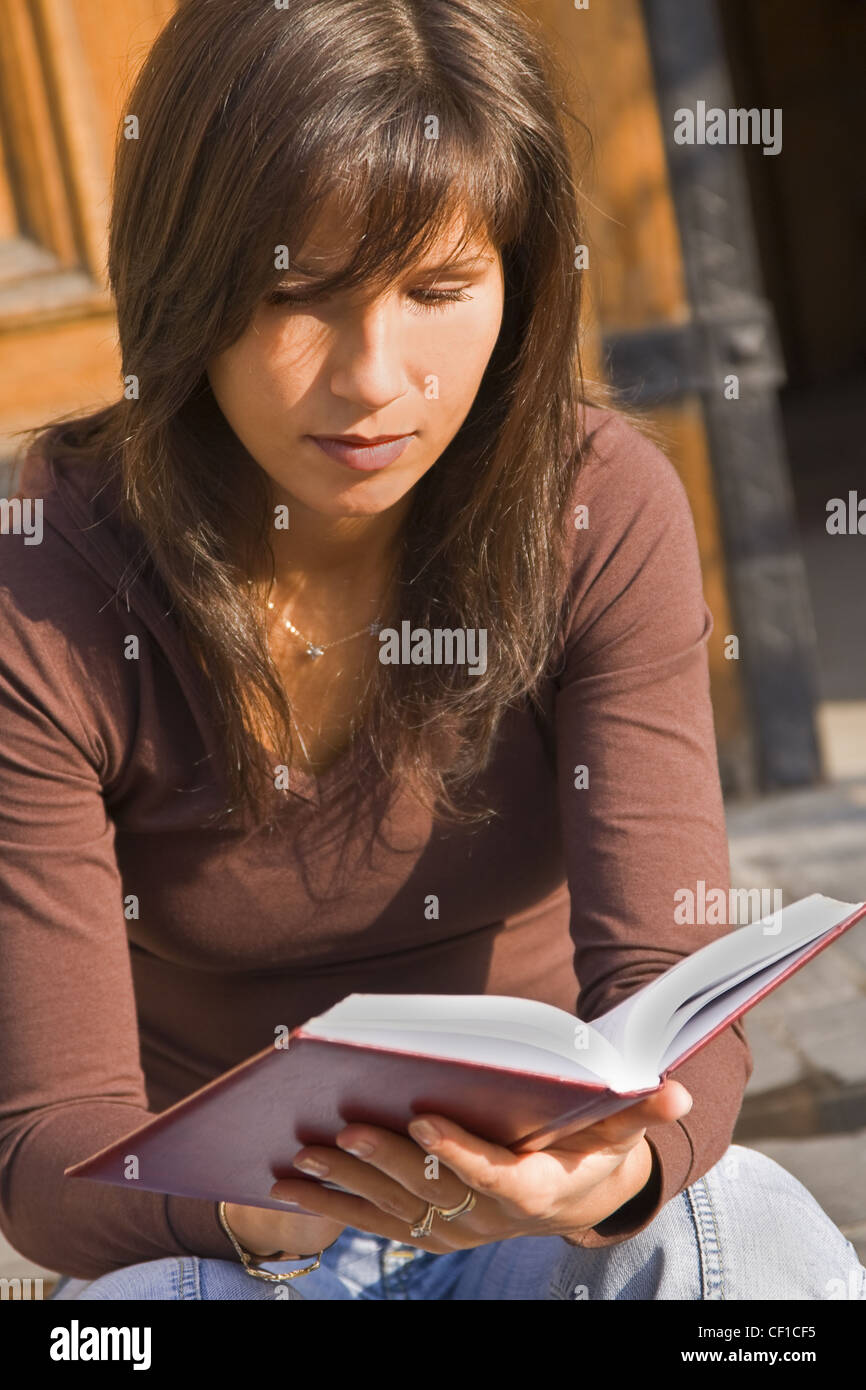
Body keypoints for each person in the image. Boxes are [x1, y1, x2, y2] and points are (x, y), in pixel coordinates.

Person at [1, 0, 862, 1302]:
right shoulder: (44, 581)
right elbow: (45, 1147)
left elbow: (678, 1002)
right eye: (299, 296)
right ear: (185, 279)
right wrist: (266, 1211)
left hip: (526, 1214)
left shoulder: (596, 508)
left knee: (734, 1223)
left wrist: (615, 1172)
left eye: (439, 291)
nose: (373, 377)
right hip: (225, 1247)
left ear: (516, 284)